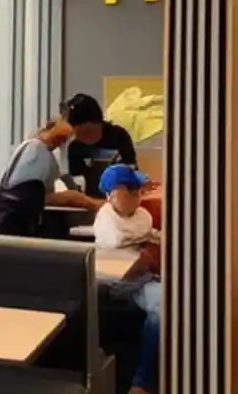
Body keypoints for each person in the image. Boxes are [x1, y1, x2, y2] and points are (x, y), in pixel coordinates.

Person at [95, 164, 160, 394]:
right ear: (110, 195)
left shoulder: (143, 216)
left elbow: (145, 234)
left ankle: (141, 381)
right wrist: (143, 241)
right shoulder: (106, 219)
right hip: (110, 280)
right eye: (129, 190)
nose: (136, 195)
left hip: (140, 278)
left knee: (165, 305)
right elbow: (114, 240)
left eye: (137, 189)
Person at [0, 118, 101, 236]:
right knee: (71, 198)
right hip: (14, 214)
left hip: (7, 213)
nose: (60, 143)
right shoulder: (37, 150)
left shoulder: (31, 148)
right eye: (60, 139)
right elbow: (42, 193)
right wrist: (75, 197)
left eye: (63, 140)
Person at [62, 93, 138, 180]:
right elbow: (77, 180)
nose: (81, 137)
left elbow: (131, 170)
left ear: (99, 123)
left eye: (87, 132)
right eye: (77, 133)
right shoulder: (75, 147)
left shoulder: (118, 136)